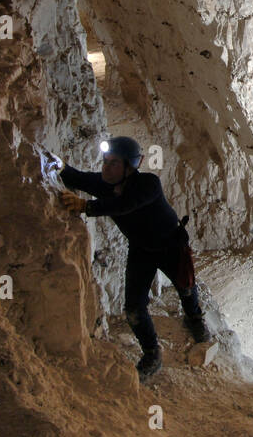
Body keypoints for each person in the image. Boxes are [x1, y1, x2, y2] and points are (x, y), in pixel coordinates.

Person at [58, 136, 210, 381]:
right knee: (133, 307)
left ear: (130, 167)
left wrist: (86, 207)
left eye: (113, 163)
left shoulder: (149, 184)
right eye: (105, 161)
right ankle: (152, 354)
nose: (106, 167)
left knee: (185, 285)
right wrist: (61, 167)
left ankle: (194, 318)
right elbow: (81, 178)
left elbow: (124, 205)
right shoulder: (106, 183)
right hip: (141, 249)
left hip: (171, 244)